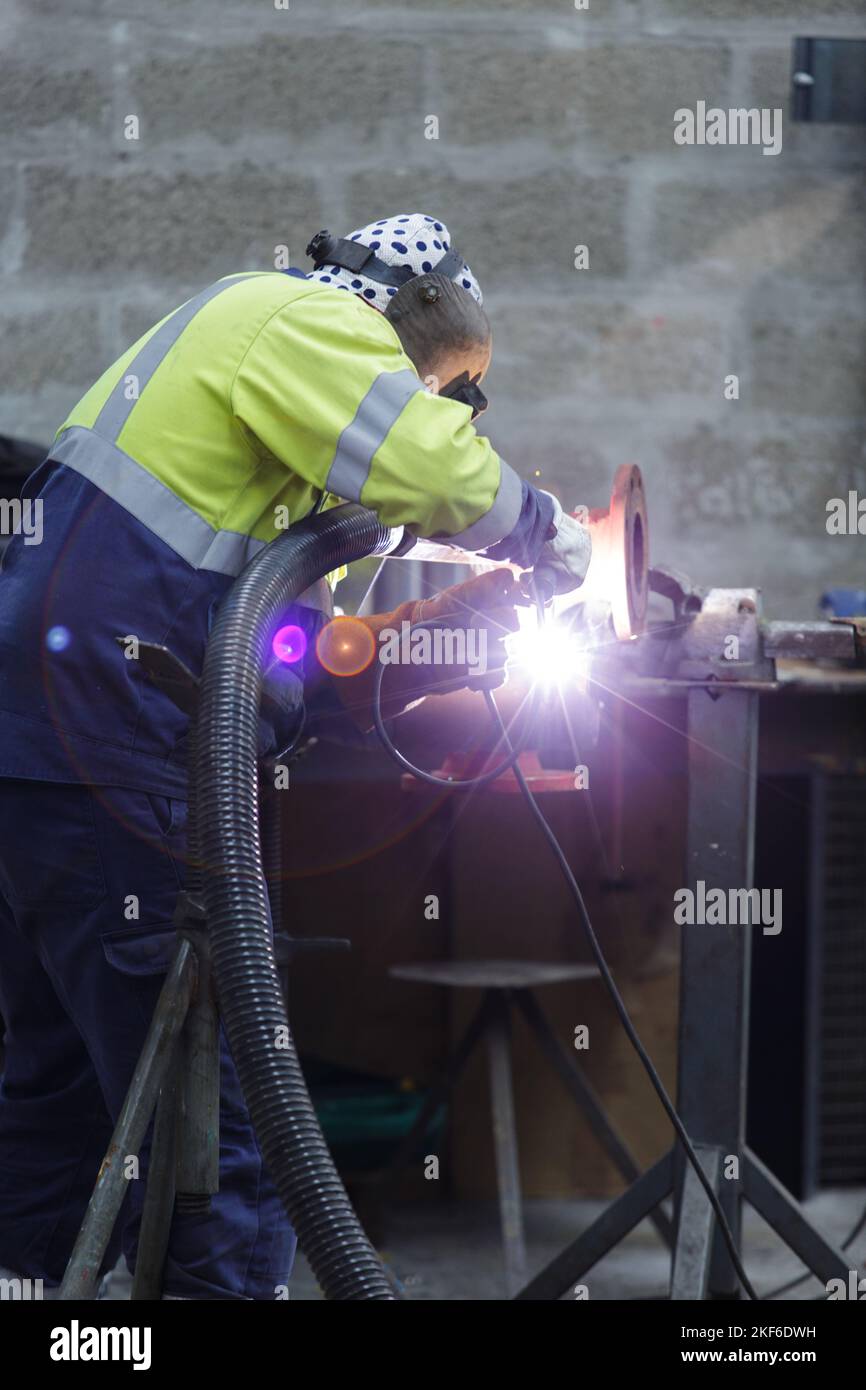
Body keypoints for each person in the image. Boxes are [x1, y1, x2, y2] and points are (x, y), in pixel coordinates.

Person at [0, 212, 590, 1299]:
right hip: (116, 743)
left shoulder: (263, 429)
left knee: (58, 1092)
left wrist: (453, 629)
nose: (455, 416)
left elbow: (296, 658)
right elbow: (434, 470)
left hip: (44, 754)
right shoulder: (301, 316)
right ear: (416, 335)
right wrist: (544, 532)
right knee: (220, 1100)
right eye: (453, 391)